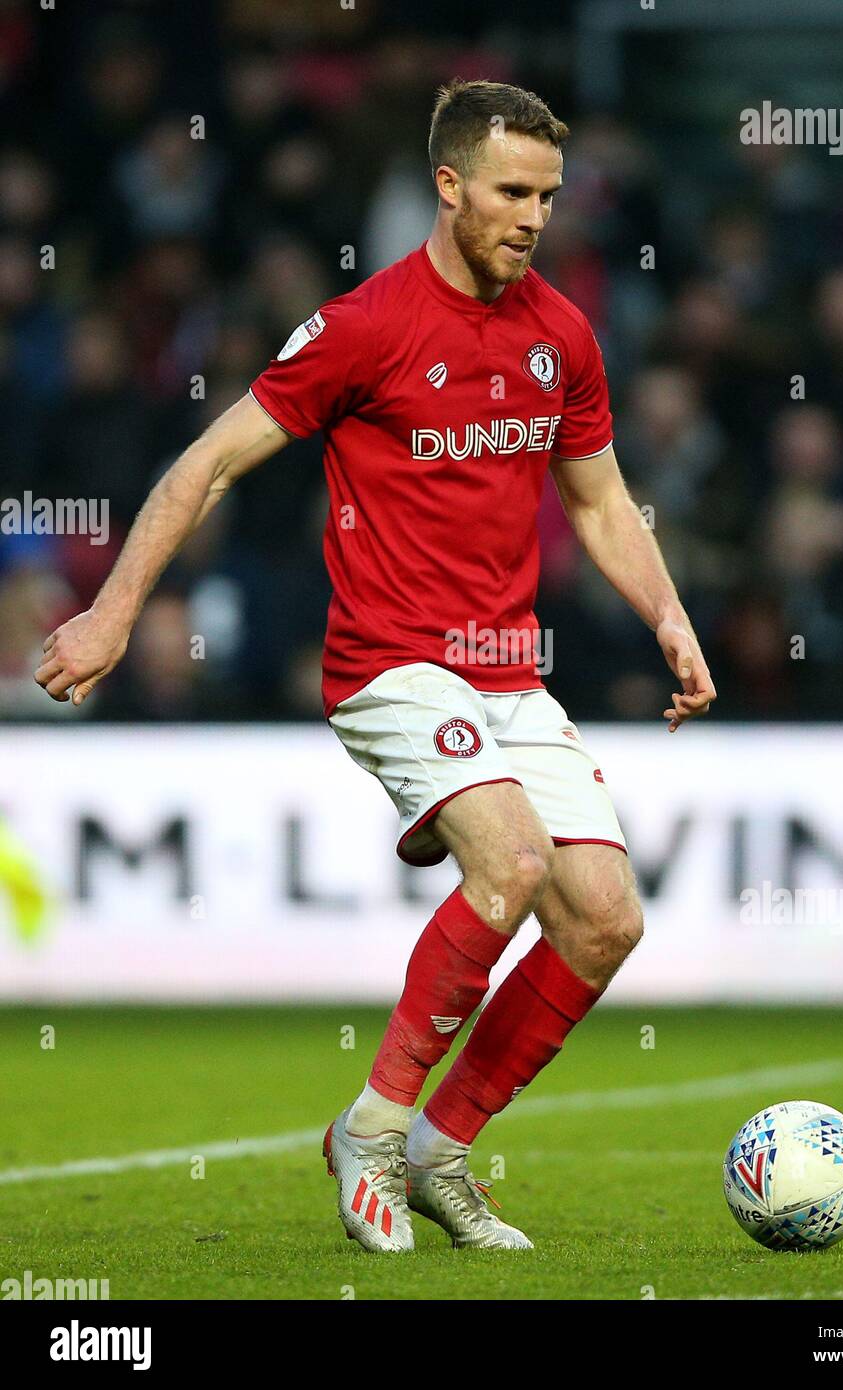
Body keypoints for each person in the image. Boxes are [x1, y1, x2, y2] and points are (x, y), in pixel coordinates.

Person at [34, 79, 715, 1252]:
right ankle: (374, 1128)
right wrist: (108, 614)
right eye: (510, 191)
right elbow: (202, 467)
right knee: (509, 862)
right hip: (389, 662)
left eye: (547, 195)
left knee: (603, 921)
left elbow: (600, 501)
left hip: (507, 670)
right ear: (446, 186)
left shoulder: (562, 335)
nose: (531, 216)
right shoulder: (362, 326)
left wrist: (668, 614)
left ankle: (445, 1149)